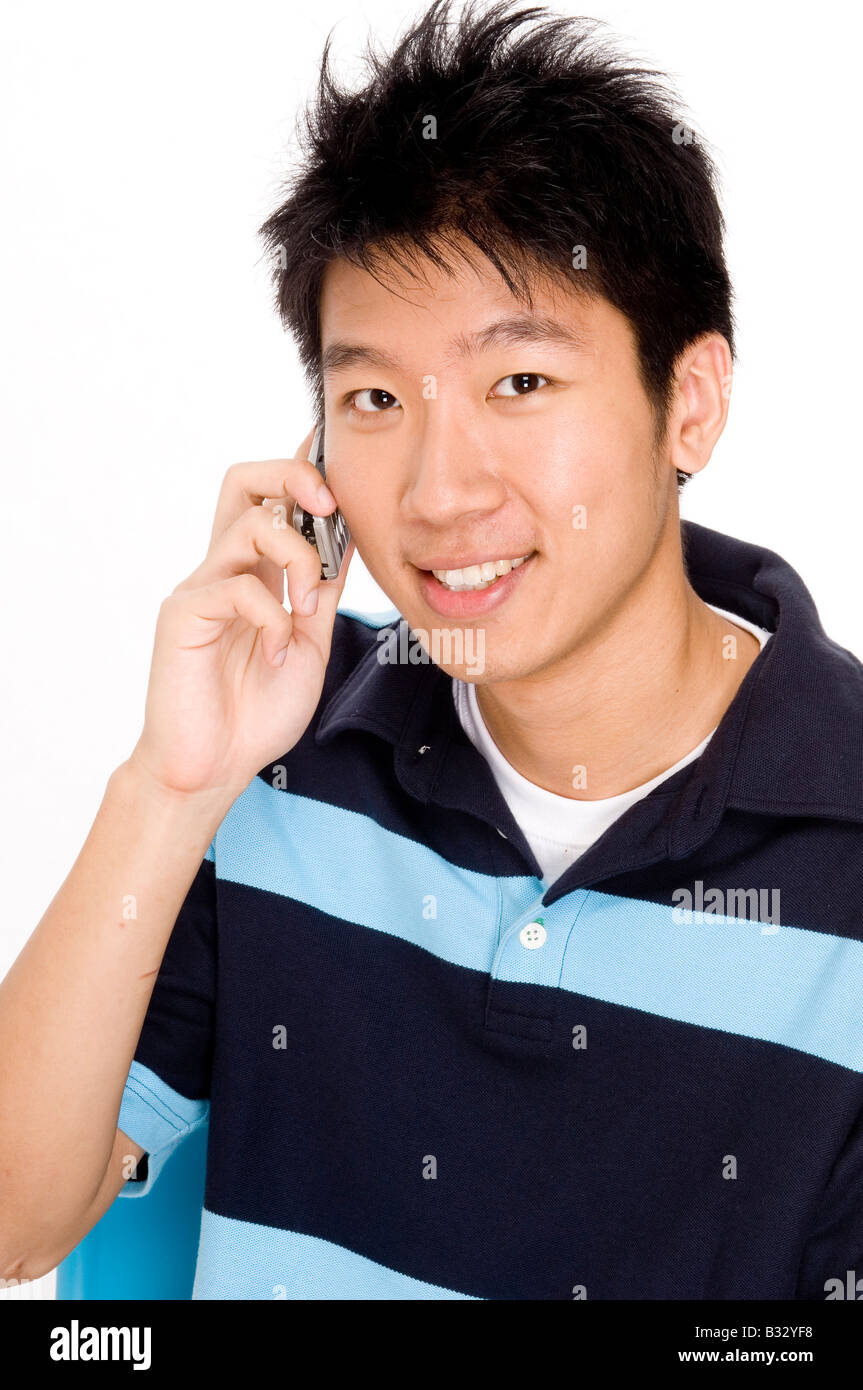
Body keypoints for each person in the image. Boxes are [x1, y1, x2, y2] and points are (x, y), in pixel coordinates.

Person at [2, 0, 861, 1301]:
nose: (441, 490)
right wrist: (171, 789)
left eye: (520, 383)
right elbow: (16, 1227)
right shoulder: (288, 756)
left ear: (688, 401)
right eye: (376, 400)